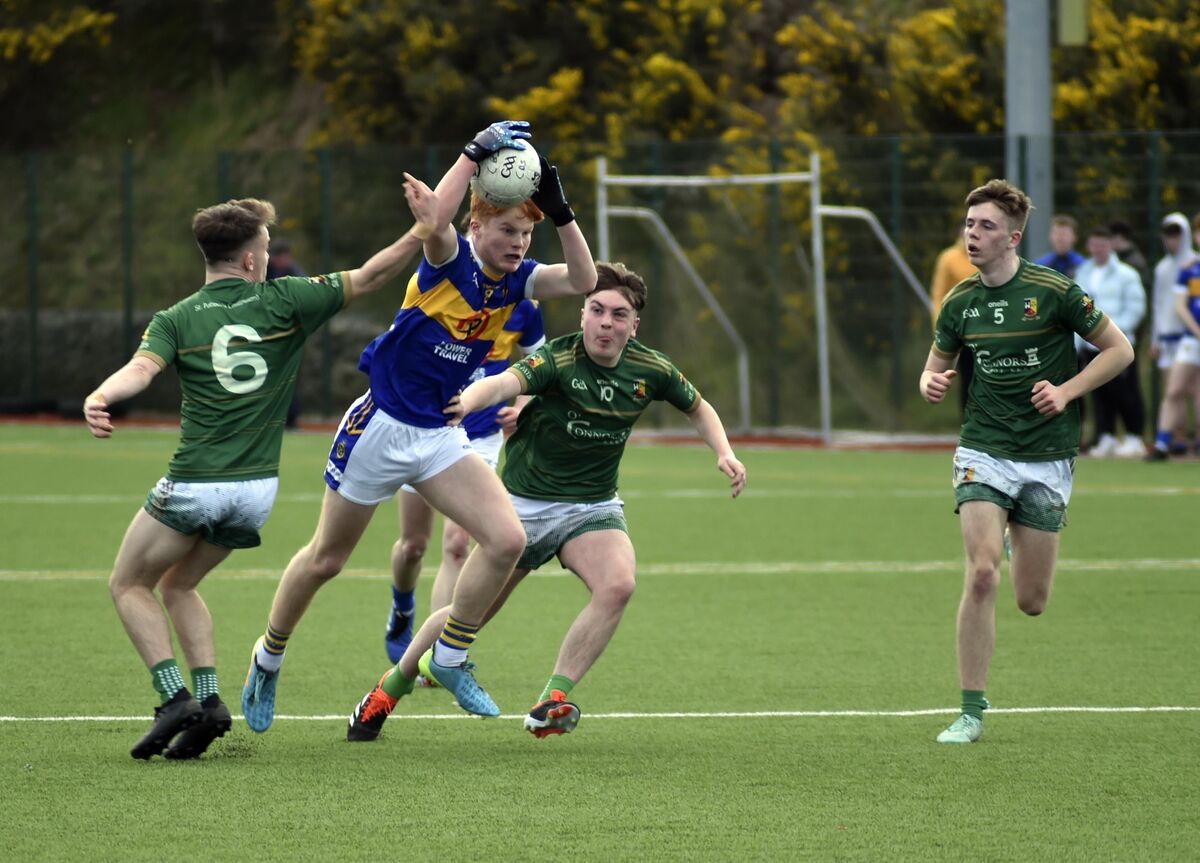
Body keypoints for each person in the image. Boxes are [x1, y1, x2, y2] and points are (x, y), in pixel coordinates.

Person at [241, 121, 598, 731]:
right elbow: (433, 222)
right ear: (476, 228)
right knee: (326, 559)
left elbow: (584, 281)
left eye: (525, 233)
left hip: (438, 433)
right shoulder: (449, 261)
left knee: (506, 540)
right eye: (507, 231)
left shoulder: (520, 280)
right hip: (379, 427)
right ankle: (267, 657)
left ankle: (450, 655)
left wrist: (563, 213)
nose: (518, 243)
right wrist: (472, 152)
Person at [83, 183, 438, 760]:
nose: (269, 257)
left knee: (127, 584)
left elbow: (141, 370)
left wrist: (101, 395)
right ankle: (208, 702)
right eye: (267, 248)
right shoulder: (288, 299)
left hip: (196, 482)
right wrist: (423, 231)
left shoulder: (176, 318)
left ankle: (173, 697)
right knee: (179, 584)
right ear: (249, 260)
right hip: (255, 493)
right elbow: (373, 275)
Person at [345, 261, 747, 742]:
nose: (606, 323)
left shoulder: (651, 369)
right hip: (522, 510)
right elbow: (504, 382)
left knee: (618, 584)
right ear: (582, 315)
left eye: (619, 315)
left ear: (634, 326)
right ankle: (389, 689)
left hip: (592, 508)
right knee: (465, 617)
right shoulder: (558, 359)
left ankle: (553, 699)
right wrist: (469, 401)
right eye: (597, 310)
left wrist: (724, 451)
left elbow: (698, 406)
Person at [920, 179, 1133, 744]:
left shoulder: (1055, 291)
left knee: (1031, 601)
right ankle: (970, 711)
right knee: (982, 573)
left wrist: (1065, 391)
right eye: (969, 224)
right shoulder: (960, 301)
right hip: (983, 447)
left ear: (1013, 238)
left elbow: (1120, 350)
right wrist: (930, 383)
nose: (973, 234)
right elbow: (933, 367)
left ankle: (1018, 534)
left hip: (1047, 454)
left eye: (986, 226)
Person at [384, 297, 542, 664]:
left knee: (458, 544)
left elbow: (539, 365)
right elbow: (395, 351)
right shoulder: (442, 290)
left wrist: (522, 406)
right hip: (421, 429)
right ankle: (403, 606)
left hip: (478, 437)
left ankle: (435, 654)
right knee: (413, 545)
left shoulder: (525, 307)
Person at [1073, 226, 1146, 458]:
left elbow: (1136, 309)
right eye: (1094, 245)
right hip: (1089, 345)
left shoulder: (1126, 274)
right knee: (1099, 392)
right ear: (1089, 246)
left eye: (1102, 245)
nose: (1098, 249)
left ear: (1110, 246)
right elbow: (1076, 308)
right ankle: (1106, 436)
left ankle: (1134, 436)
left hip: (1116, 345)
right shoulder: (1083, 272)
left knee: (1125, 392)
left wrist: (1111, 333)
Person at [1147, 211, 1200, 460]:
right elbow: (1171, 304)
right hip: (1187, 338)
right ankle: (1165, 443)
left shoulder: (1190, 262)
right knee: (1174, 389)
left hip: (1185, 336)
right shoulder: (1185, 269)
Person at [929, 235, 977, 413]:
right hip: (962, 331)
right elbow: (938, 295)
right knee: (967, 377)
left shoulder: (987, 257)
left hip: (988, 328)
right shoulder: (949, 258)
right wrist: (940, 327)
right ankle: (967, 419)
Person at [266, 238, 309, 427]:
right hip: (267, 333)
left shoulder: (296, 275)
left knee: (290, 376)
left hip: (290, 334)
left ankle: (291, 419)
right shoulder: (264, 271)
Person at [1034, 214, 1086, 279]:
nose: (1060, 238)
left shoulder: (1083, 266)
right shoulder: (1041, 265)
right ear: (1050, 236)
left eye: (1064, 234)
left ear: (1075, 237)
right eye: (1056, 233)